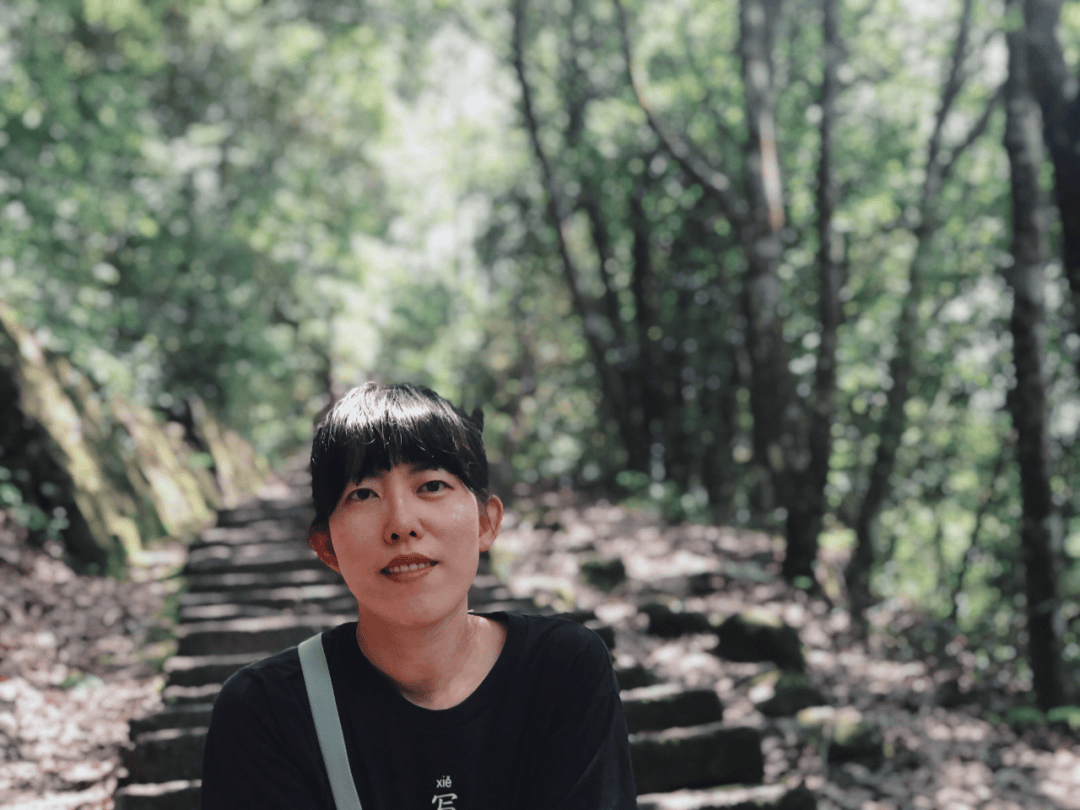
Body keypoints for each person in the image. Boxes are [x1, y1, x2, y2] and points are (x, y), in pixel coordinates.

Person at [200, 382, 636, 809]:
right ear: (326, 546)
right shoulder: (267, 712)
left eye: (431, 485)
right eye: (363, 493)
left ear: (486, 523)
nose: (401, 524)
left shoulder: (562, 670)